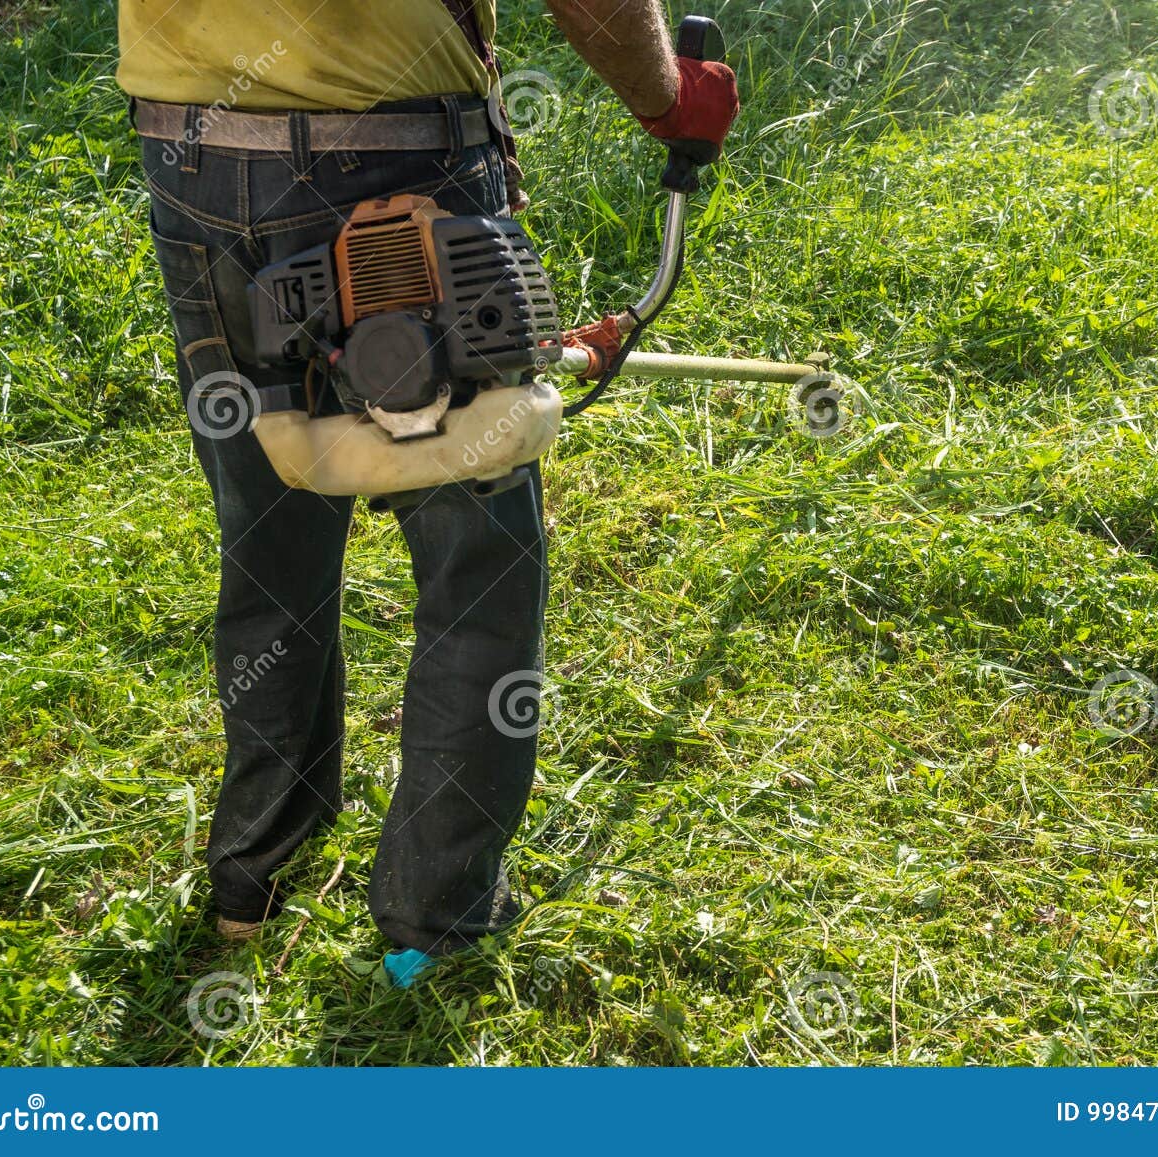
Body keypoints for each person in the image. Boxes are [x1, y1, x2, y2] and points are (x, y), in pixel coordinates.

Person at [117, 1, 738, 987]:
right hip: (397, 164)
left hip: (191, 157)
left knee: (270, 529)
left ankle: (254, 878)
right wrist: (672, 101)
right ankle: (429, 924)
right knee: (477, 565)